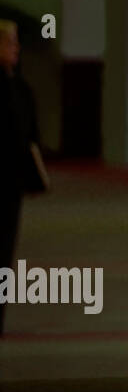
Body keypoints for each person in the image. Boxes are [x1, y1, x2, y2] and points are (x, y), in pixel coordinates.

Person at [0, 19, 43, 337]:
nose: (16, 48)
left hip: (10, 185)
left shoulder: (19, 86)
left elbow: (30, 136)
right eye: (9, 42)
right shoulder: (14, 89)